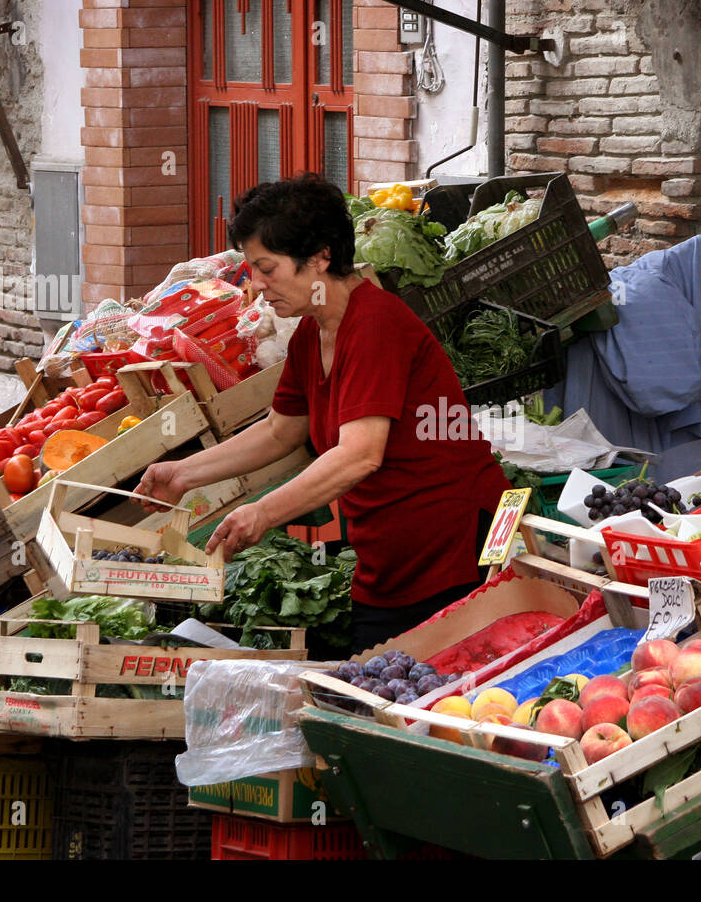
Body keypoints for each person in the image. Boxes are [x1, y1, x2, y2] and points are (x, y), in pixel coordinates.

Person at [134, 174, 511, 654]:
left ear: (319, 257)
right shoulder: (312, 337)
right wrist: (183, 474)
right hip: (387, 560)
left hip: (450, 550)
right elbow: (278, 432)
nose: (257, 284)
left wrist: (263, 513)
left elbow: (359, 456)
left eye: (267, 268)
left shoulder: (375, 325)